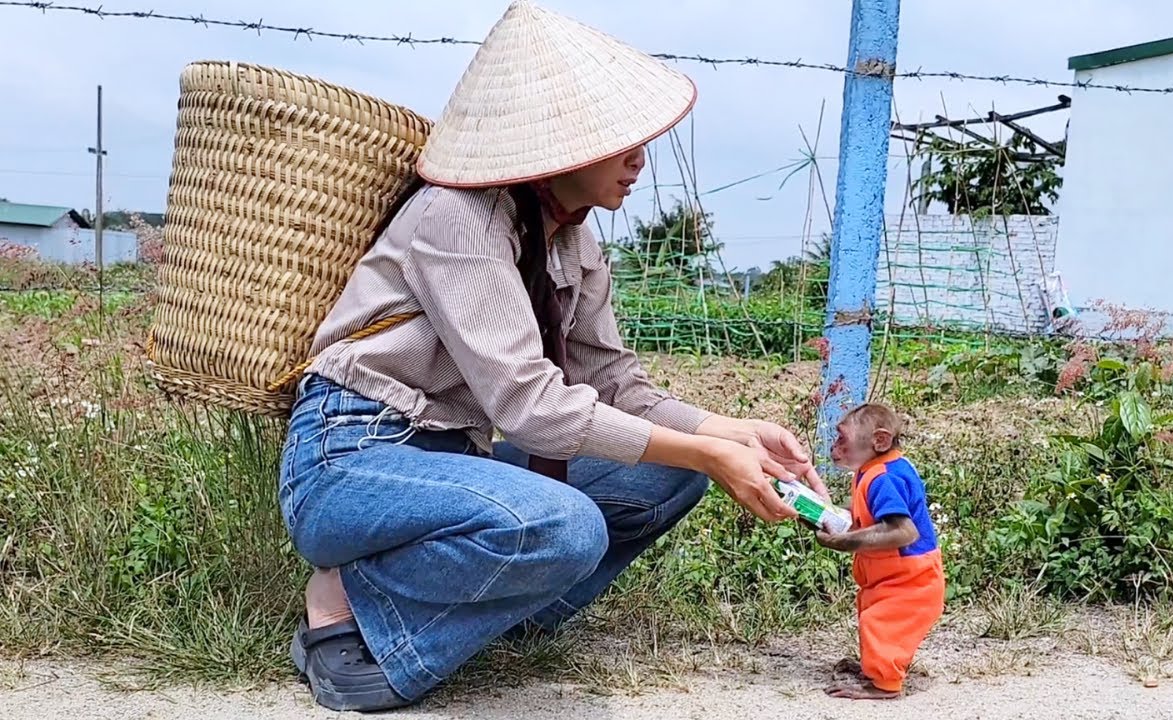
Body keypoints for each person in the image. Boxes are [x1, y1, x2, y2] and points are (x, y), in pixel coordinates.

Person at [276, 1, 829, 712]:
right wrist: (705, 453)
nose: (638, 159)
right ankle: (348, 604)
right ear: (556, 147)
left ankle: (489, 619)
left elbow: (613, 385)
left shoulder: (573, 240)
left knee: (668, 478)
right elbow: (530, 408)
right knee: (570, 524)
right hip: (353, 458)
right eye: (619, 141)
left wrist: (730, 433)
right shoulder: (456, 218)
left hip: (453, 463)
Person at [814, 403, 945, 701]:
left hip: (912, 580)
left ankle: (884, 685)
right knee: (873, 618)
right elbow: (868, 515)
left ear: (880, 441)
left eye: (842, 440)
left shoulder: (885, 476)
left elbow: (903, 531)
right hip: (892, 577)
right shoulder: (870, 471)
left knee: (880, 624)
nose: (835, 447)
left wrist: (844, 542)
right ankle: (877, 668)